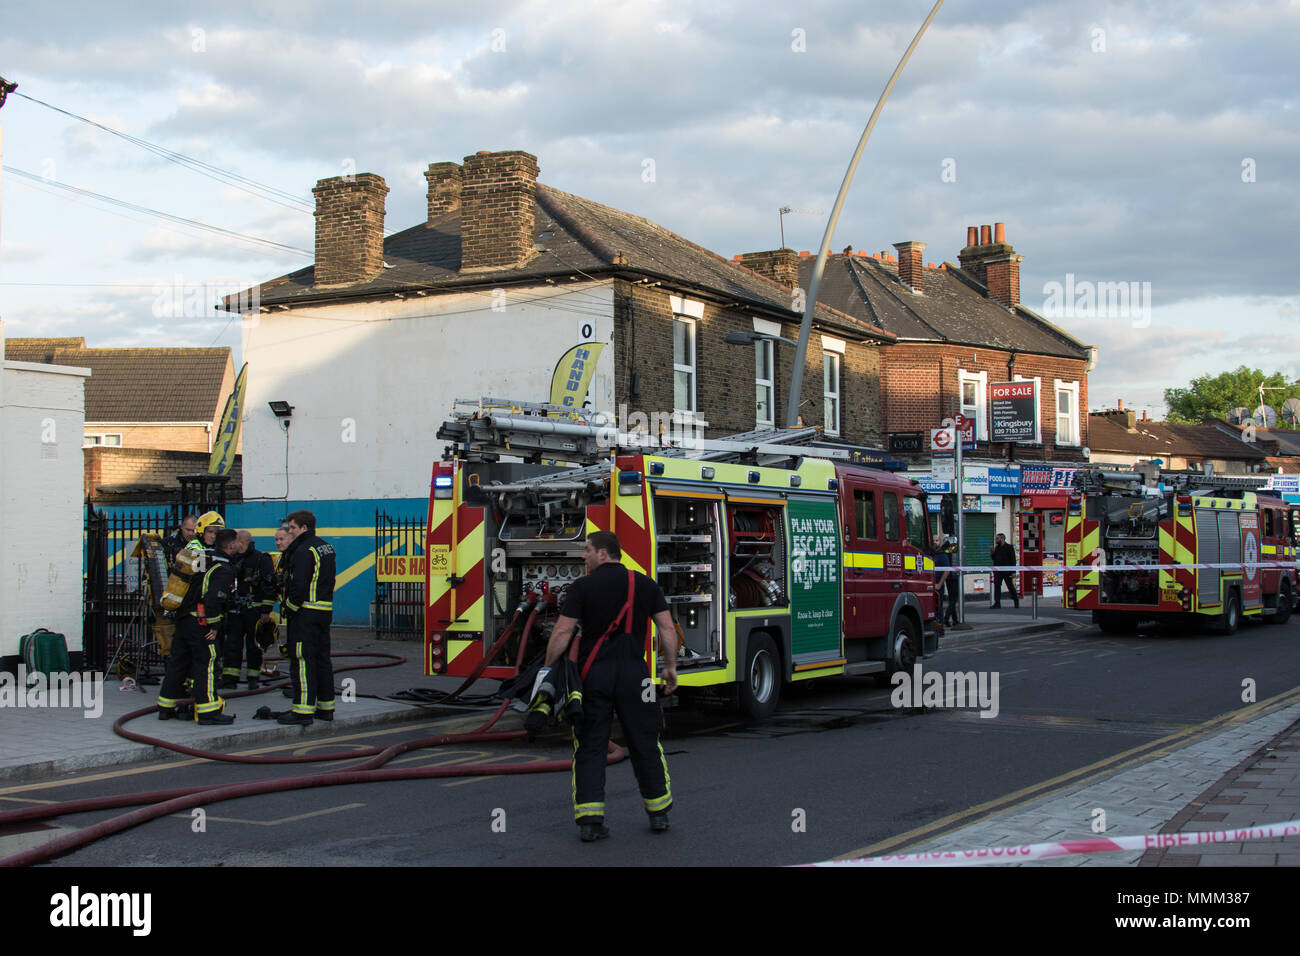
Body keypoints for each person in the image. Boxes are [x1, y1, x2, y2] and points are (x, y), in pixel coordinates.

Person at [543, 531, 679, 842]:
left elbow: (563, 632)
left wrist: (548, 672)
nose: (584, 556)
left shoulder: (582, 587)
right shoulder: (645, 584)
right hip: (638, 677)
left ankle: (590, 821)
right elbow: (667, 628)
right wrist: (669, 667)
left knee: (591, 744)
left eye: (587, 550)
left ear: (604, 554)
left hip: (594, 677)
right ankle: (659, 814)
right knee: (646, 740)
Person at [157, 528, 239, 724]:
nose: (239, 545)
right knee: (207, 663)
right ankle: (208, 712)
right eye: (237, 542)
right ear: (230, 545)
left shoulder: (205, 558)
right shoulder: (224, 568)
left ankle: (165, 707)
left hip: (184, 619)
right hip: (201, 623)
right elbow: (213, 598)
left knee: (178, 662)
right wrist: (214, 624)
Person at [278, 510, 336, 725]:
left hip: (305, 613)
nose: (289, 531)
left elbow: (299, 585)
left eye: (292, 528)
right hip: (323, 612)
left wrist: (289, 608)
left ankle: (302, 711)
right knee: (322, 660)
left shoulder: (303, 550)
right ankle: (326, 707)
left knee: (302, 660)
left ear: (303, 528)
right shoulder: (326, 547)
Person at [219, 530, 277, 690]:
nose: (231, 545)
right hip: (235, 611)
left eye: (234, 542)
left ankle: (253, 678)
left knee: (254, 646)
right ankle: (230, 678)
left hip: (254, 612)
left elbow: (269, 586)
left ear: (242, 543)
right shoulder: (233, 559)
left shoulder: (261, 559)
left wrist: (266, 610)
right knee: (232, 645)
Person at [931, 534, 959, 628]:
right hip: (935, 583)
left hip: (944, 581)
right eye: (933, 540)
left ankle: (943, 624)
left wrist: (939, 584)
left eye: (937, 540)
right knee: (950, 600)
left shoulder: (942, 554)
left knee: (942, 605)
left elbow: (947, 570)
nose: (935, 542)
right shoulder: (934, 553)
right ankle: (952, 620)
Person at [991, 532, 1020, 609]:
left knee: (1010, 586)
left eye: (997, 538)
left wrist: (1013, 571)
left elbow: (1013, 560)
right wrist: (992, 552)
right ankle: (997, 603)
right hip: (998, 571)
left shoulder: (1009, 547)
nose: (996, 540)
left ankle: (1016, 601)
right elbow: (994, 558)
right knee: (997, 586)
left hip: (1007, 571)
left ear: (1002, 539)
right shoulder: (997, 548)